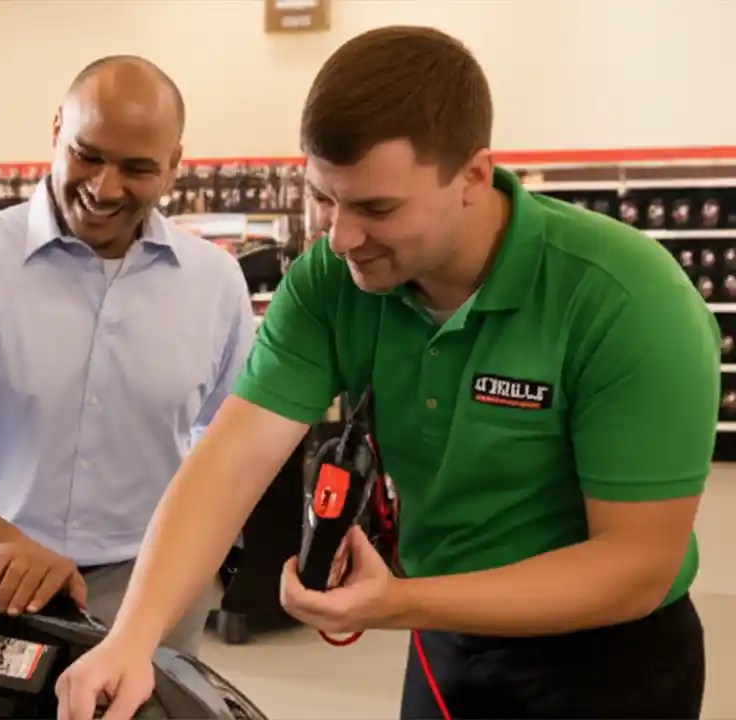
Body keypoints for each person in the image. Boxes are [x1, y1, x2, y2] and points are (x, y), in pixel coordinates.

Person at [56, 25, 714, 720]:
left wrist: (402, 601)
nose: (340, 237)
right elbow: (230, 460)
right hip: (447, 641)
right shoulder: (331, 281)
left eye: (376, 208)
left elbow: (635, 568)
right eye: (323, 198)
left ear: (473, 177)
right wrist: (132, 638)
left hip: (610, 659)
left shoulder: (626, 301)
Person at [0, 55, 254, 655]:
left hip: (159, 592)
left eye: (137, 168)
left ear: (174, 165)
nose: (103, 187)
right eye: (87, 154)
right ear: (56, 130)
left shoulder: (216, 282)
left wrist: (208, 564)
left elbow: (231, 444)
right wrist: (1, 541)